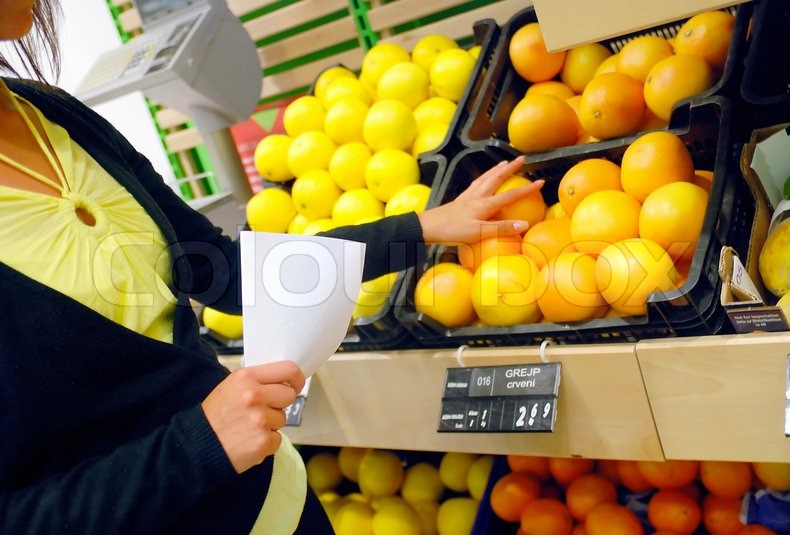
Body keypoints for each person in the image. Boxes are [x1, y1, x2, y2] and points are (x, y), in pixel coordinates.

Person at [0, 1, 543, 533]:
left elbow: (226, 273)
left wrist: (420, 230)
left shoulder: (52, 115)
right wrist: (197, 448)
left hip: (282, 498)